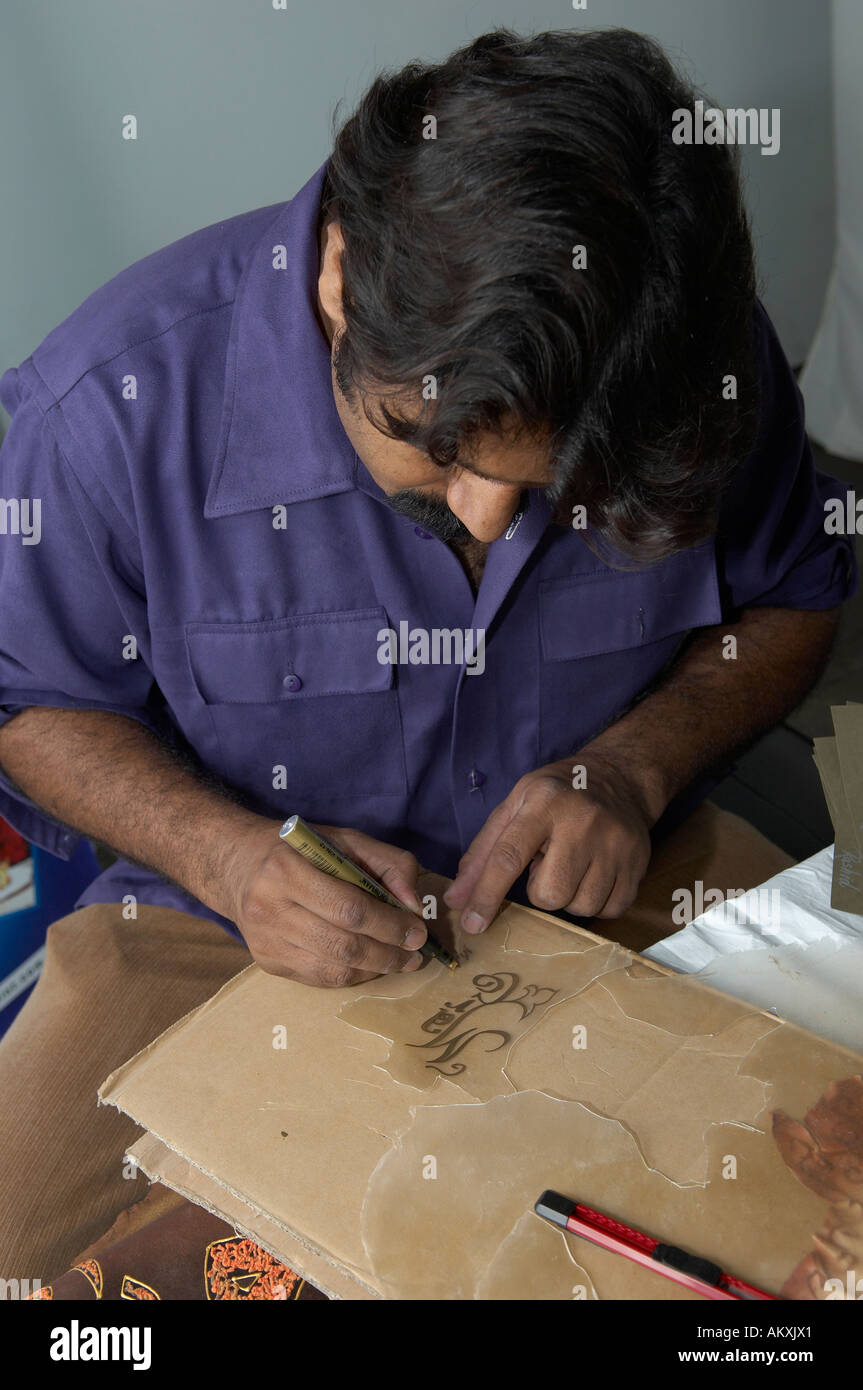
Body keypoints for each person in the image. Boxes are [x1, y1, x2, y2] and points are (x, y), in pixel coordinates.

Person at [0, 27, 855, 1283]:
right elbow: (29, 704)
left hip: (617, 872)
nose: (488, 519)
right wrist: (234, 862)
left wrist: (628, 766)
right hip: (215, 919)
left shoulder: (684, 366)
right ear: (342, 275)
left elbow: (794, 598)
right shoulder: (108, 412)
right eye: (436, 447)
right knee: (39, 1268)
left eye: (557, 487)